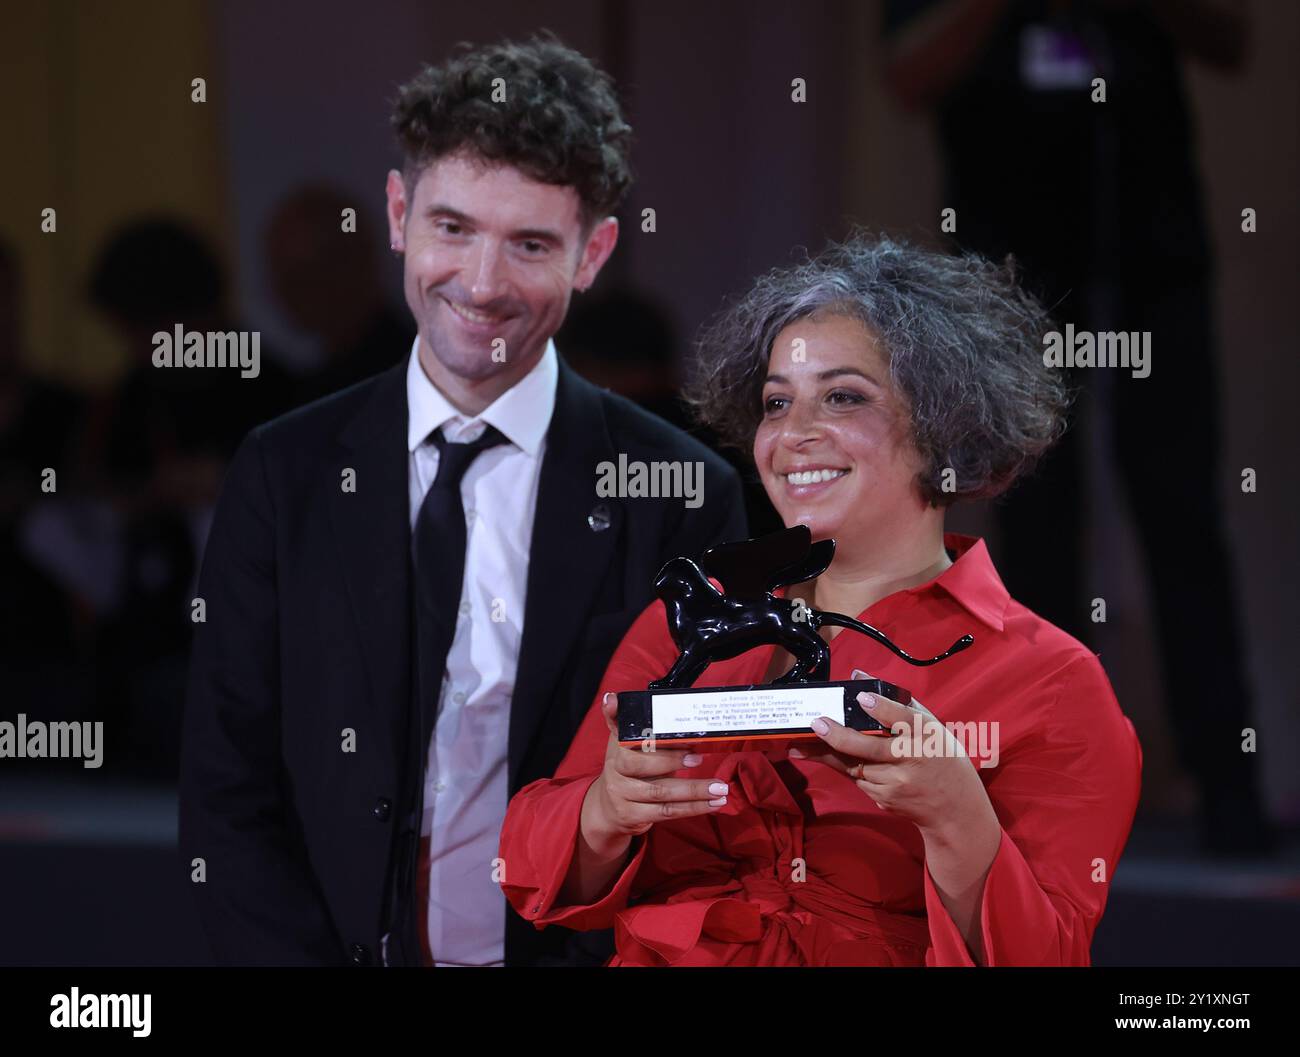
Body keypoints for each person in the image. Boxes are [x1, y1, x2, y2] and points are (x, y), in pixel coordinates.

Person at [178, 34, 747, 968]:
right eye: (453, 228)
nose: (480, 286)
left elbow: (698, 816)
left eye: (528, 244)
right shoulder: (286, 471)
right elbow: (225, 790)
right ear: (399, 214)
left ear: (593, 252)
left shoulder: (683, 494)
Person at [499, 234, 1142, 966]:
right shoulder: (682, 629)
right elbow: (533, 872)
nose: (794, 435)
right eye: (777, 402)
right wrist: (605, 812)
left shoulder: (1055, 683)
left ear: (944, 427)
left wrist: (960, 820)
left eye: (842, 396)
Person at [882, 0, 1272, 856]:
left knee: (1180, 516)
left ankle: (1227, 788)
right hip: (1012, 266)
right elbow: (908, 72)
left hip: (1150, 256)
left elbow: (1232, 38)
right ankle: (1051, 784)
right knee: (1033, 519)